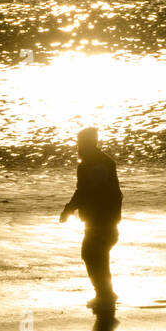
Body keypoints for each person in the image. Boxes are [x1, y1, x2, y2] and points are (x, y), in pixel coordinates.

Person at [60, 127, 123, 313]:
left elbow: (84, 192)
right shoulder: (105, 162)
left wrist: (68, 210)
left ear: (88, 143)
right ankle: (105, 293)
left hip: (100, 220)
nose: (77, 146)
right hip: (106, 218)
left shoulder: (89, 165)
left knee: (92, 255)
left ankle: (105, 294)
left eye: (80, 143)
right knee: (98, 256)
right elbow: (114, 193)